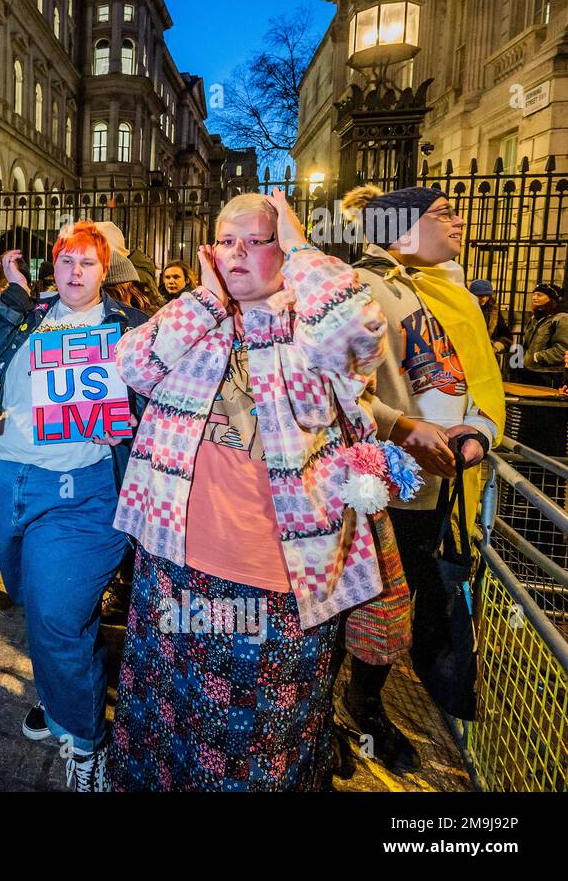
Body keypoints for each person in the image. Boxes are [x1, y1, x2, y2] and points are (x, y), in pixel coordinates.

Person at [109, 189, 389, 791]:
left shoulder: (308, 327)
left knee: (260, 748)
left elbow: (359, 331)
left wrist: (300, 247)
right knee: (169, 720)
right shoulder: (197, 319)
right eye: (225, 242)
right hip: (173, 560)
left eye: (253, 242)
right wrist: (207, 298)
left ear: (283, 249)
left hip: (279, 578)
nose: (235, 255)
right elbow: (132, 366)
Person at [0, 221, 147, 791]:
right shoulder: (29, 317)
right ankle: (57, 691)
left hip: (83, 492)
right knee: (31, 598)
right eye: (65, 261)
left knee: (57, 614)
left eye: (87, 264)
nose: (73, 272)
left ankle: (88, 743)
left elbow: (167, 387)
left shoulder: (127, 328)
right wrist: (14, 293)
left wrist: (140, 416)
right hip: (12, 485)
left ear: (106, 270)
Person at [347, 184, 503, 773]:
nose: (459, 222)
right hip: (374, 482)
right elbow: (331, 387)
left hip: (435, 482)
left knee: (396, 597)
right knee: (360, 599)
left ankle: (365, 698)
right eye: (443, 214)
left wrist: (477, 431)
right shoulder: (362, 287)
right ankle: (352, 706)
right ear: (404, 229)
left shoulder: (445, 291)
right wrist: (401, 428)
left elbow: (470, 380)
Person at [511, 282, 568, 387]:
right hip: (530, 372)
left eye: (539, 295)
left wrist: (537, 357)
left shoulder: (561, 319)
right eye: (534, 294)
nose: (535, 297)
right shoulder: (536, 318)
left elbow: (562, 350)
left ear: (551, 299)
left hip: (549, 375)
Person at [468, 279, 512, 362]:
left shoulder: (493, 312)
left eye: (487, 296)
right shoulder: (464, 310)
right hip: (467, 356)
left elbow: (506, 336)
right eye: (479, 296)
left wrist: (495, 347)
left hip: (487, 358)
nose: (484, 299)